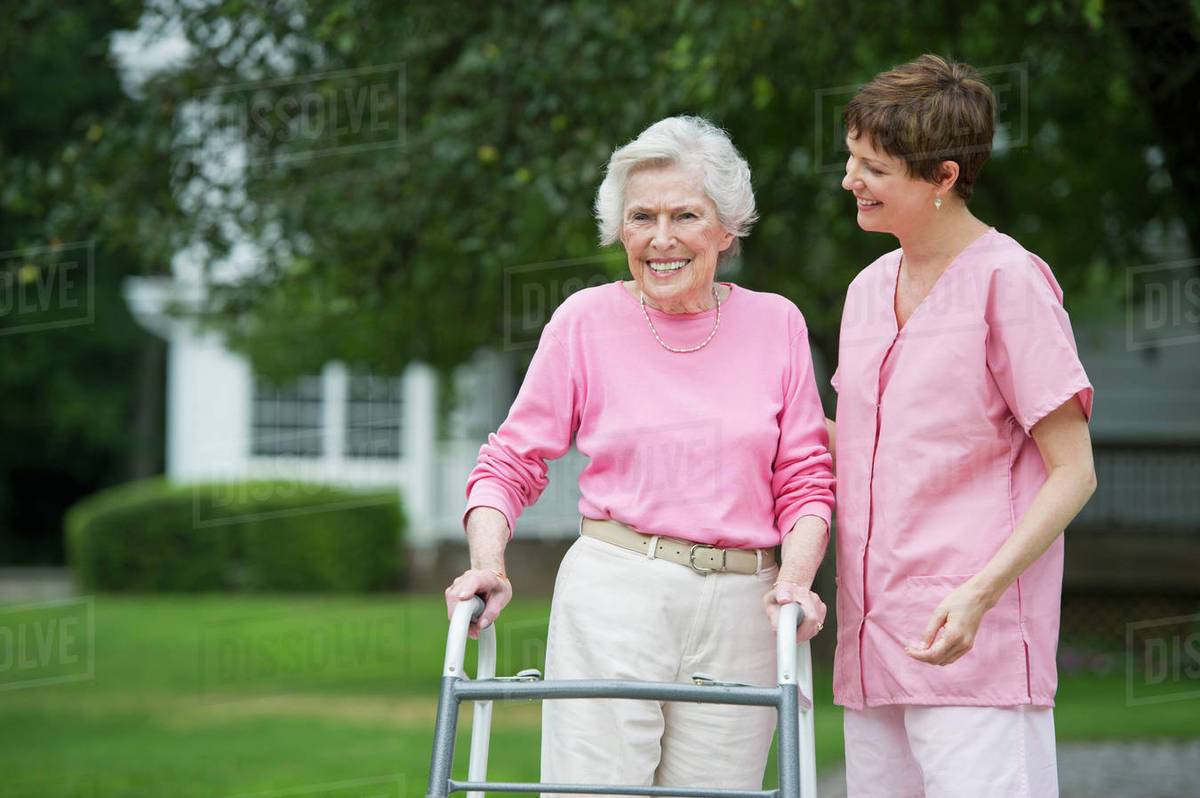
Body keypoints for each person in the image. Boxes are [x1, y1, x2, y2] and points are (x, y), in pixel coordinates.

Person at [444, 115, 835, 794]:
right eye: (641, 217)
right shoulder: (584, 321)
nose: (661, 239)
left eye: (686, 214)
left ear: (727, 227)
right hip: (616, 590)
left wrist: (794, 581)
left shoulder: (778, 324)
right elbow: (508, 463)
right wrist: (487, 565)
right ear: (619, 228)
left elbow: (804, 480)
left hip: (745, 604)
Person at [831, 55, 1097, 797]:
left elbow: (1075, 472)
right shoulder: (866, 290)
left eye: (873, 166)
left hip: (971, 649)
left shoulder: (1010, 282)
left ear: (944, 177)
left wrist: (979, 594)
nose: (850, 179)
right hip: (872, 645)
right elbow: (864, 451)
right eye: (852, 157)